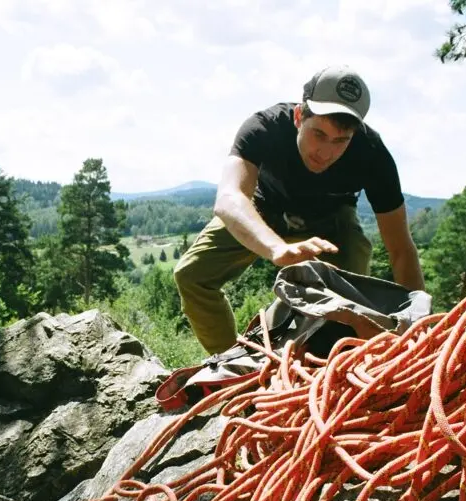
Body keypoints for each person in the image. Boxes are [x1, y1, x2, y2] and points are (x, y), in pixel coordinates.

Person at [173, 64, 425, 356]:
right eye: (318, 134)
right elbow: (229, 198)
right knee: (192, 276)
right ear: (298, 117)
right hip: (263, 209)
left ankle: (320, 364)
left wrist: (419, 328)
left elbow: (401, 250)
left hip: (331, 223)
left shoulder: (372, 154)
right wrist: (276, 248)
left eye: (340, 141)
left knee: (351, 299)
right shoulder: (264, 126)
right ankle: (233, 363)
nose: (326, 152)